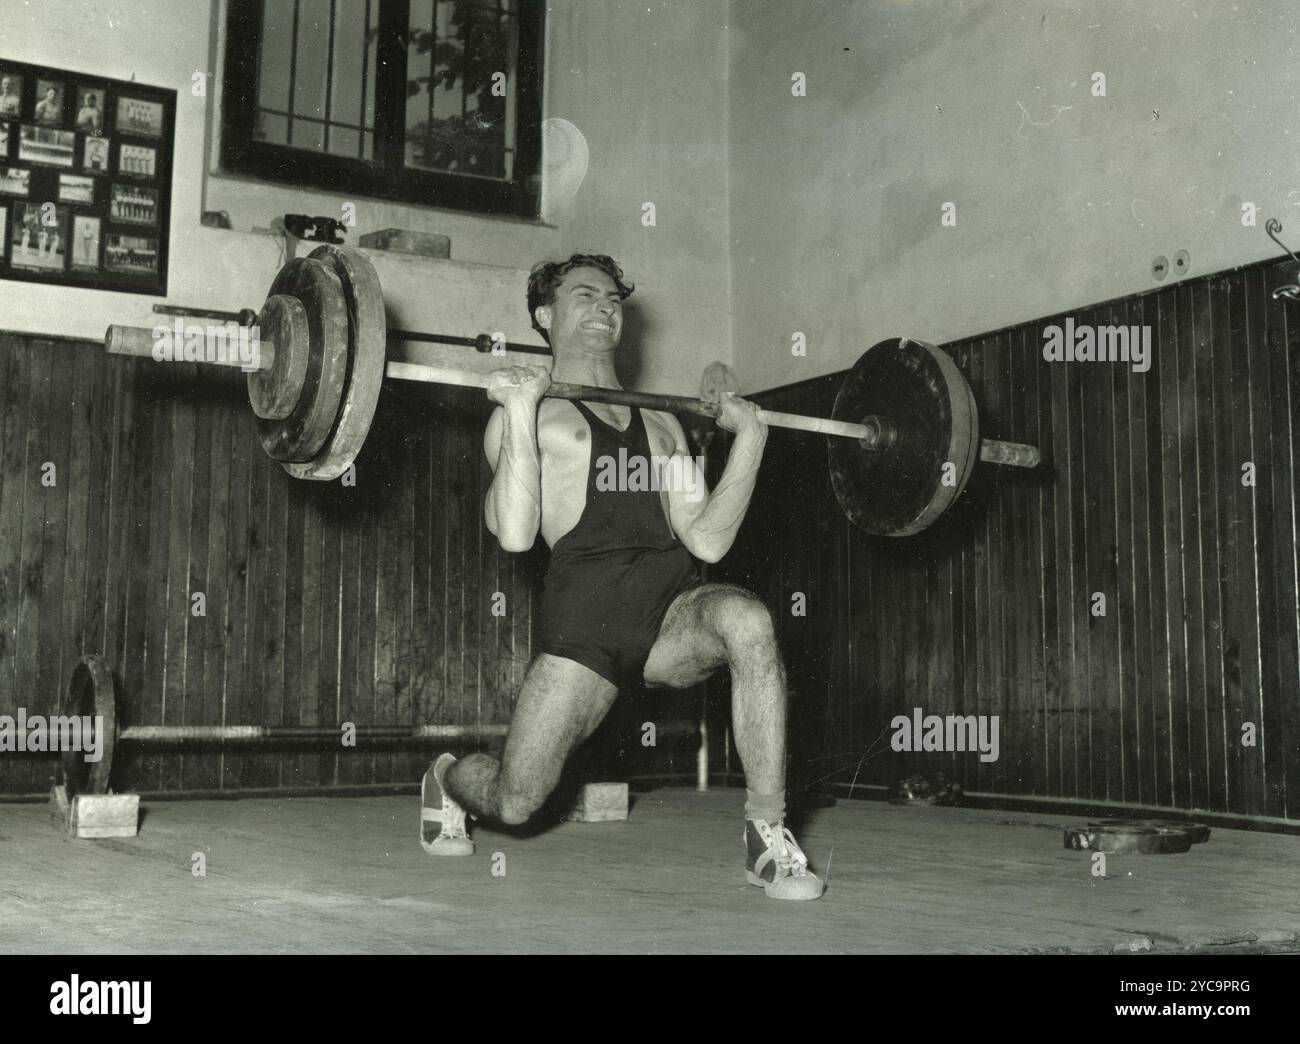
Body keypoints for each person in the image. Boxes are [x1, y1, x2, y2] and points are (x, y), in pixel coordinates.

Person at [420, 254, 823, 900]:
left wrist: (750, 439)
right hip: (583, 631)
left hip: (667, 617)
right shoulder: (526, 414)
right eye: (585, 295)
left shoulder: (662, 424)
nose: (605, 306)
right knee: (517, 800)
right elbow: (518, 533)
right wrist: (520, 411)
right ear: (544, 316)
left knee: (748, 619)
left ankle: (765, 837)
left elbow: (709, 541)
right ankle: (446, 777)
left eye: (613, 298)